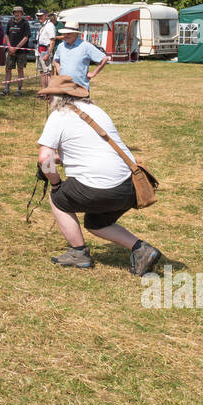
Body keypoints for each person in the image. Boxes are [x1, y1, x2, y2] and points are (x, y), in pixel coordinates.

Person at [36, 75, 163, 274]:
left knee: (58, 198)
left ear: (59, 98)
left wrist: (55, 183)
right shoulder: (96, 111)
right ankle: (142, 249)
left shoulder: (59, 115)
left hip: (99, 189)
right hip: (128, 187)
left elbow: (45, 159)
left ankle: (78, 253)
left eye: (49, 97)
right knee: (96, 222)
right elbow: (93, 148)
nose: (48, 102)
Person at [52, 21, 108, 90]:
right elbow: (56, 59)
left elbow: (104, 59)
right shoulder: (61, 46)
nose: (65, 36)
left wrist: (94, 73)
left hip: (80, 88)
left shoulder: (85, 46)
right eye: (64, 33)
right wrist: (59, 70)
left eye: (68, 33)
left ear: (76, 34)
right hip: (64, 87)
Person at [3, 5, 32, 95]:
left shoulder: (25, 23)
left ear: (22, 13)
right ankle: (6, 89)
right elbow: (6, 34)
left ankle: (19, 90)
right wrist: (9, 46)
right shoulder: (10, 22)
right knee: (8, 69)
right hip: (10, 50)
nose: (17, 14)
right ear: (13, 13)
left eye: (19, 12)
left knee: (20, 70)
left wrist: (16, 48)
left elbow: (26, 37)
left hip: (21, 51)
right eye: (15, 12)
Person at [35, 9, 57, 88]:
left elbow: (52, 41)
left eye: (41, 15)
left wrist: (48, 54)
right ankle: (44, 91)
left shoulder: (50, 25)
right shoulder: (42, 25)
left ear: (46, 16)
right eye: (38, 16)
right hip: (39, 51)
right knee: (42, 72)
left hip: (45, 51)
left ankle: (49, 92)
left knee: (48, 73)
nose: (39, 17)